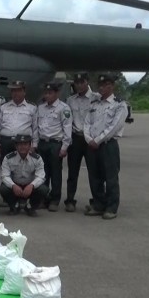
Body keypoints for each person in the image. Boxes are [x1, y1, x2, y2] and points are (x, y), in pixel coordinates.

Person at [83, 74, 128, 220]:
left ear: (112, 86)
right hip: (92, 145)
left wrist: (98, 140)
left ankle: (111, 207)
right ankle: (98, 204)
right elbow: (87, 123)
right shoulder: (94, 104)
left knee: (111, 178)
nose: (101, 88)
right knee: (94, 177)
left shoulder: (119, 104)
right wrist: (89, 139)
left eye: (105, 85)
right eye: (100, 85)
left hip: (108, 146)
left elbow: (115, 126)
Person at [64, 72, 100, 212]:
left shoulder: (96, 98)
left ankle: (96, 200)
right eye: (76, 82)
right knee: (72, 172)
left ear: (87, 82)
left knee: (94, 172)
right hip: (76, 138)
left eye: (81, 82)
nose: (79, 85)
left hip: (91, 139)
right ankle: (70, 200)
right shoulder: (70, 100)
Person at [36, 82, 72, 212]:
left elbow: (67, 128)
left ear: (57, 93)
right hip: (42, 143)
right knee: (43, 173)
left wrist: (65, 147)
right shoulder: (40, 108)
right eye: (45, 93)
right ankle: (43, 198)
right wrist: (35, 144)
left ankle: (55, 199)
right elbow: (37, 127)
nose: (47, 95)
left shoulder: (64, 108)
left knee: (56, 173)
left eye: (50, 93)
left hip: (56, 143)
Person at [0, 134, 48, 217]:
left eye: (25, 144)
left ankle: (31, 207)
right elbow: (4, 176)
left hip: (30, 186)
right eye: (20, 144)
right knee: (3, 188)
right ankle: (13, 206)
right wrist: (13, 185)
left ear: (30, 145)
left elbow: (41, 176)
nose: (22, 147)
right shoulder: (8, 158)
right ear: (16, 146)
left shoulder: (37, 158)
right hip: (15, 185)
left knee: (44, 189)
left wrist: (31, 185)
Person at [0, 80, 38, 160]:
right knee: (5, 168)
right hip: (6, 142)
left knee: (24, 168)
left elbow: (35, 128)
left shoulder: (32, 108)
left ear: (24, 92)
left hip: (23, 142)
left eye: (18, 90)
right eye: (13, 91)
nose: (15, 93)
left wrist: (34, 145)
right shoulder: (3, 107)